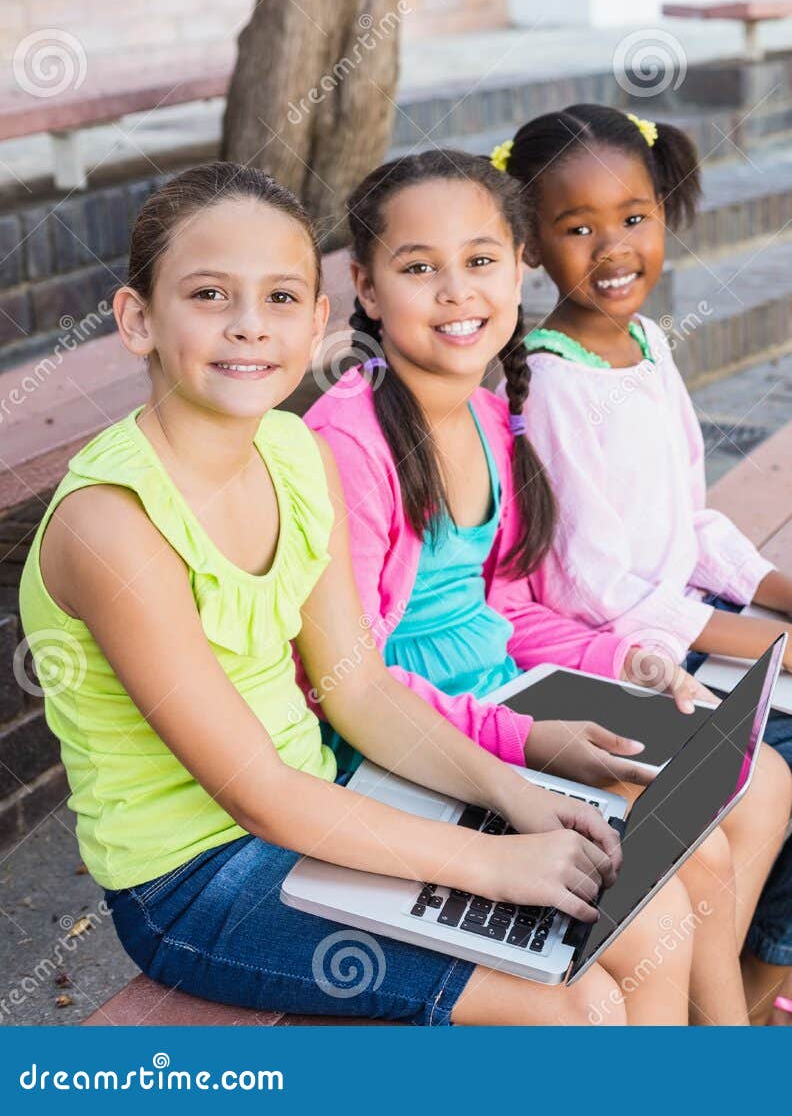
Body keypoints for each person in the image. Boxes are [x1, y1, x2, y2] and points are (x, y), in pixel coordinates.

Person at [19, 162, 698, 1024]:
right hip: (198, 880)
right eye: (209, 295)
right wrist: (491, 862)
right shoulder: (113, 523)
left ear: (316, 321)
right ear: (137, 319)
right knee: (573, 1006)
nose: (248, 328)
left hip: (325, 806)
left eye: (278, 299)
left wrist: (509, 788)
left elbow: (356, 683)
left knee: (649, 915)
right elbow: (253, 789)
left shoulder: (295, 454)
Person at [498, 104, 792, 1023]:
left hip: (683, 631)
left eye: (633, 217)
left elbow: (689, 522)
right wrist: (789, 653)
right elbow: (597, 589)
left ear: (665, 210)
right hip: (614, 663)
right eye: (576, 228)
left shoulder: (647, 346)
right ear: (531, 246)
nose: (613, 248)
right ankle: (752, 994)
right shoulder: (559, 381)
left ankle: (750, 983)